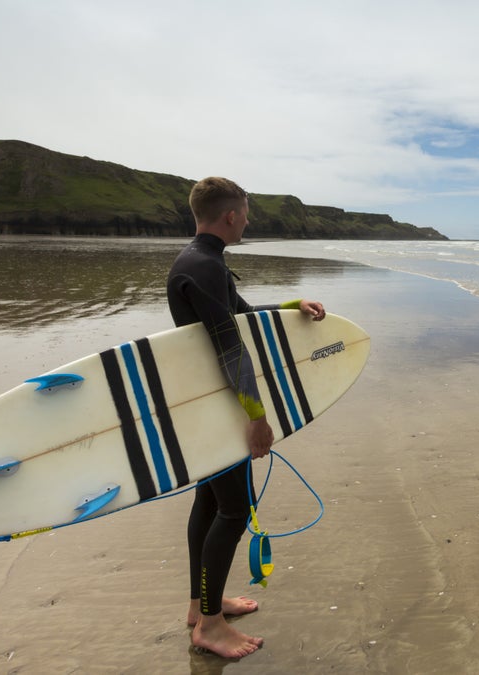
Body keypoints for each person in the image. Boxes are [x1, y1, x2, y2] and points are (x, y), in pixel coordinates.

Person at [167, 176, 325, 659]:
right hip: (222, 404)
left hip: (206, 401)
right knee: (233, 510)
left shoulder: (198, 261)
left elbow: (240, 316)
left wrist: (292, 306)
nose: (249, 221)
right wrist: (256, 417)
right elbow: (231, 347)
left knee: (210, 504)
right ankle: (210, 627)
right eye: (246, 213)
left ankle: (201, 607)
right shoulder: (205, 267)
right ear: (231, 215)